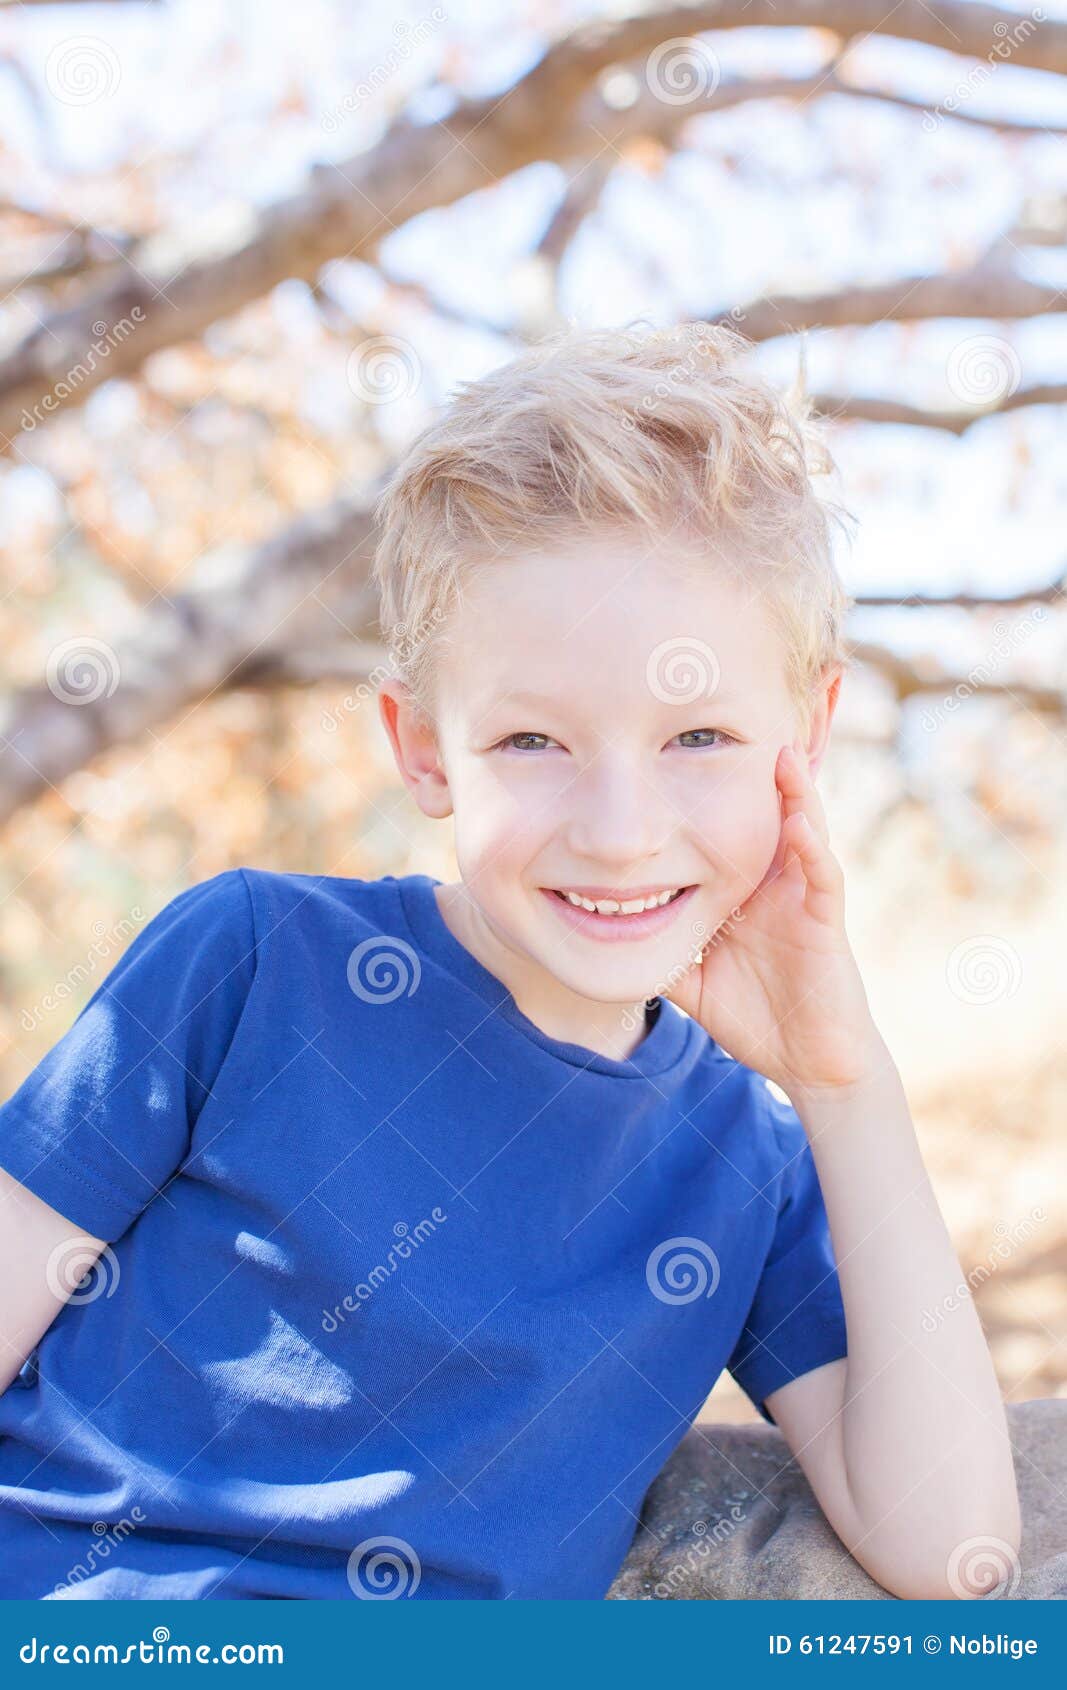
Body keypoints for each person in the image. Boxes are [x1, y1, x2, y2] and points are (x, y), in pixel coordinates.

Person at [0, 323, 1019, 1600]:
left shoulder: (743, 1156)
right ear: (423, 748)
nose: (617, 829)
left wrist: (846, 1077)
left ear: (803, 739)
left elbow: (953, 1555)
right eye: (533, 741)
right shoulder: (255, 963)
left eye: (696, 734)